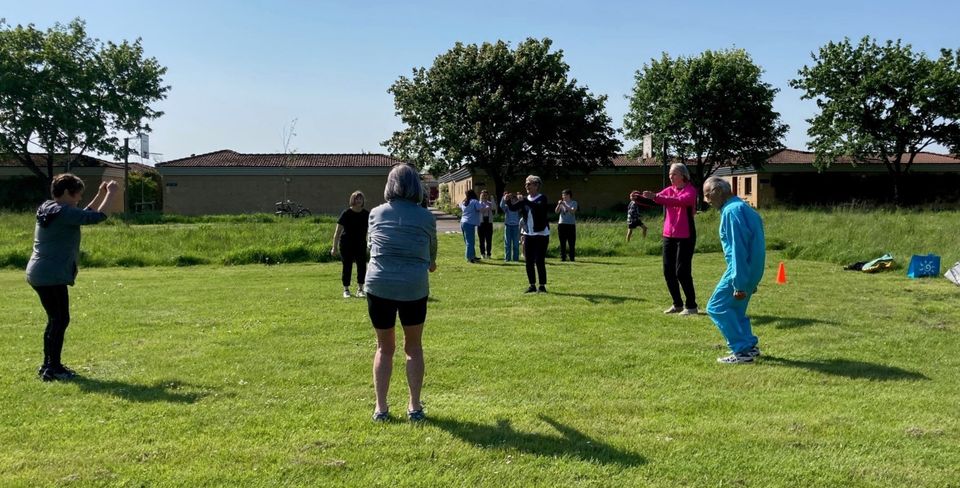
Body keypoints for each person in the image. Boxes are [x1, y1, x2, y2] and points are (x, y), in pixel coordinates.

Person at [25, 174, 119, 381]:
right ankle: (53, 368)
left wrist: (98, 195)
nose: (79, 199)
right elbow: (97, 217)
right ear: (68, 192)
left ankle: (48, 366)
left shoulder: (49, 207)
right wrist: (111, 194)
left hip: (39, 271)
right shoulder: (64, 212)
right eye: (78, 195)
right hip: (51, 273)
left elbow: (82, 214)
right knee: (60, 320)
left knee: (55, 320)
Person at [365, 164, 438, 421]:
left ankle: (381, 408)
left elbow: (371, 246)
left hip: (379, 284)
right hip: (413, 286)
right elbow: (432, 255)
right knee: (413, 347)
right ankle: (414, 407)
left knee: (384, 348)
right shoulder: (426, 218)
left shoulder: (375, 213)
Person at [702, 177, 765, 364]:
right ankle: (749, 346)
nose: (707, 200)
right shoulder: (744, 208)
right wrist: (752, 278)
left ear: (717, 192)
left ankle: (741, 351)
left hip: (739, 270)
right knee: (736, 309)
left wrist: (739, 283)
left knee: (716, 307)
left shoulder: (731, 211)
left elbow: (739, 249)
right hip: (752, 269)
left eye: (707, 195)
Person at [643, 163, 699, 315]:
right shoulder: (669, 190)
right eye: (669, 174)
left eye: (673, 174)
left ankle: (692, 306)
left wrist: (656, 197)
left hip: (685, 235)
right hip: (669, 235)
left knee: (682, 271)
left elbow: (679, 201)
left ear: (683, 175)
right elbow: (657, 199)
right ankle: (677, 304)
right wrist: (639, 198)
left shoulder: (690, 191)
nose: (670, 177)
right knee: (668, 271)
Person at [506, 175, 550, 293]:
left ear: (536, 185)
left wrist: (524, 200)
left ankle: (542, 285)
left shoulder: (542, 198)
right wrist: (508, 201)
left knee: (539, 260)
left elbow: (538, 209)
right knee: (528, 260)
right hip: (528, 233)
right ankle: (532, 285)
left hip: (541, 233)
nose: (526, 186)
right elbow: (514, 208)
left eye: (529, 184)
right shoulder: (525, 199)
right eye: (526, 184)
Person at [331, 191, 369, 298]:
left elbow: (372, 230)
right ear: (352, 200)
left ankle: (360, 289)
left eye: (360, 199)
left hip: (360, 244)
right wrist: (334, 247)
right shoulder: (346, 213)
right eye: (356, 199)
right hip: (346, 244)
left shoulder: (366, 214)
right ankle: (346, 289)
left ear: (363, 201)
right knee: (347, 266)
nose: (358, 201)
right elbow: (337, 232)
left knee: (362, 266)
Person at [458, 189, 484, 263]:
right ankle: (470, 258)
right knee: (470, 241)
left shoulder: (464, 202)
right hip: (470, 223)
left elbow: (460, 206)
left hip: (463, 222)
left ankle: (472, 255)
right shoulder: (474, 201)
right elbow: (480, 208)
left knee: (467, 241)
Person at [555, 189, 578, 262]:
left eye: (564, 195)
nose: (563, 196)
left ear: (568, 195)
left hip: (571, 225)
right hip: (562, 224)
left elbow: (572, 211)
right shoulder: (561, 203)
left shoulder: (574, 202)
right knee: (562, 242)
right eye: (562, 195)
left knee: (571, 242)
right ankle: (563, 258)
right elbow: (556, 212)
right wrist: (559, 204)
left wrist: (565, 205)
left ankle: (572, 258)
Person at [499, 190, 521, 262]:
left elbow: (523, 205)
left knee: (515, 244)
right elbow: (501, 205)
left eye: (514, 199)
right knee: (507, 243)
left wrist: (520, 198)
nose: (512, 200)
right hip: (508, 226)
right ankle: (507, 258)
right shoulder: (507, 207)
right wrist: (504, 197)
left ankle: (516, 259)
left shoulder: (518, 207)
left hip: (516, 226)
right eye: (511, 199)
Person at [477, 189, 495, 259]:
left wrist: (492, 199)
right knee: (481, 239)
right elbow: (479, 210)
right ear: (481, 195)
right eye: (483, 195)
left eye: (485, 195)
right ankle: (482, 253)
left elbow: (493, 207)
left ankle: (489, 254)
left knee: (489, 239)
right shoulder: (478, 203)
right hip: (481, 222)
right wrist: (485, 208)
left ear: (487, 196)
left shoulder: (490, 203)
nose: (484, 196)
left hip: (488, 222)